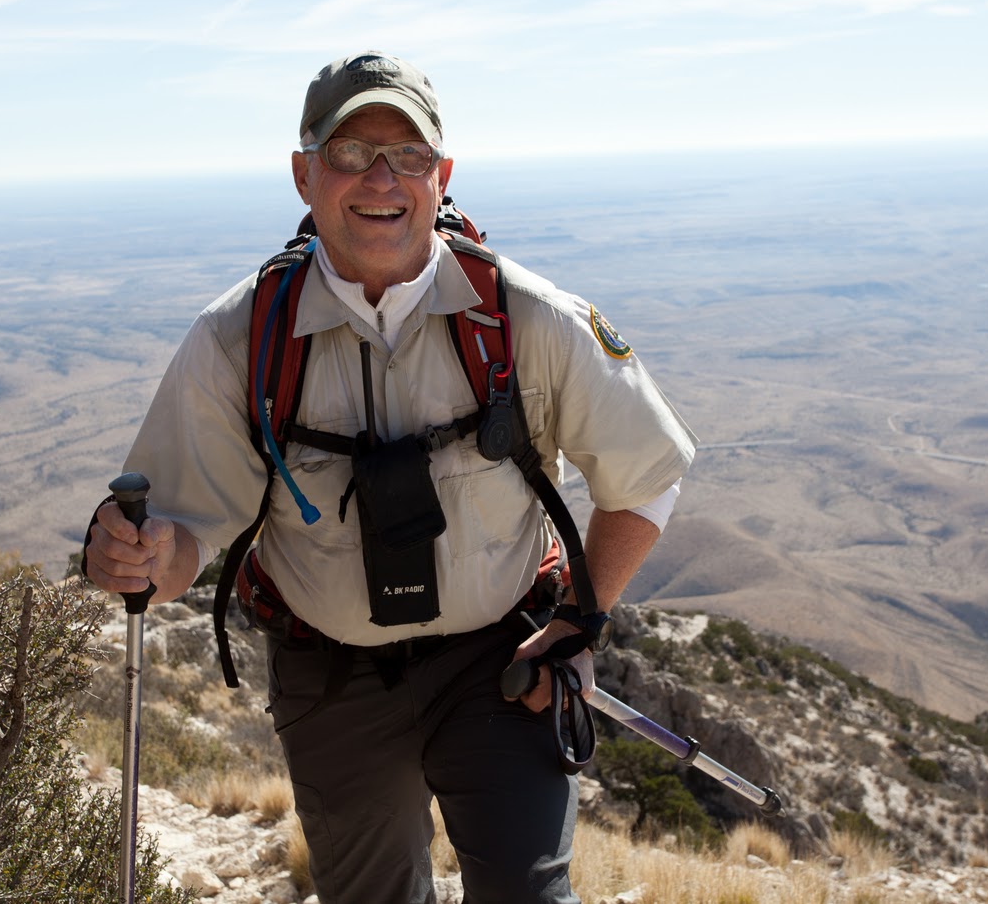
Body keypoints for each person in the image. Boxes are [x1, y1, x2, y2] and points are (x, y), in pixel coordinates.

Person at [82, 51, 697, 904]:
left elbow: (650, 473)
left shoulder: (528, 320)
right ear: (304, 174)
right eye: (350, 151)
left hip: (502, 664)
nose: (383, 177)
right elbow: (185, 530)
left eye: (409, 154)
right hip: (329, 677)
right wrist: (140, 555)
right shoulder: (240, 338)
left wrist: (579, 620)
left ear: (442, 176)